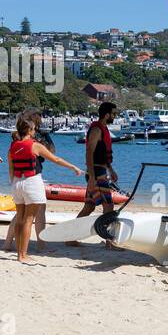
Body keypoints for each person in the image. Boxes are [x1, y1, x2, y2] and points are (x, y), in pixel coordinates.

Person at [6, 117, 81, 263]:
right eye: (33, 129)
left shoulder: (13, 147)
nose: (35, 132)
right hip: (31, 183)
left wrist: (15, 182)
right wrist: (73, 167)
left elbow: (11, 169)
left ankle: (19, 254)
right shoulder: (35, 145)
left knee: (20, 219)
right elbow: (56, 159)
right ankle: (23, 255)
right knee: (28, 220)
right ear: (29, 130)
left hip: (16, 183)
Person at [69, 102, 120, 247]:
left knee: (89, 206)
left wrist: (111, 170)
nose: (115, 116)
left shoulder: (104, 129)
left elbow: (103, 154)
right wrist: (91, 177)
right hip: (96, 174)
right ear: (107, 114)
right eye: (114, 114)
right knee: (108, 207)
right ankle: (109, 242)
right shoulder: (97, 129)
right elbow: (89, 153)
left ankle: (70, 237)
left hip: (101, 171)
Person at [3, 110, 56, 250]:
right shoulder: (39, 135)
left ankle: (8, 242)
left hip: (18, 178)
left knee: (20, 214)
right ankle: (41, 243)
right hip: (32, 175)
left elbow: (11, 160)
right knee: (39, 211)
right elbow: (53, 153)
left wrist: (12, 180)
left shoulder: (18, 136)